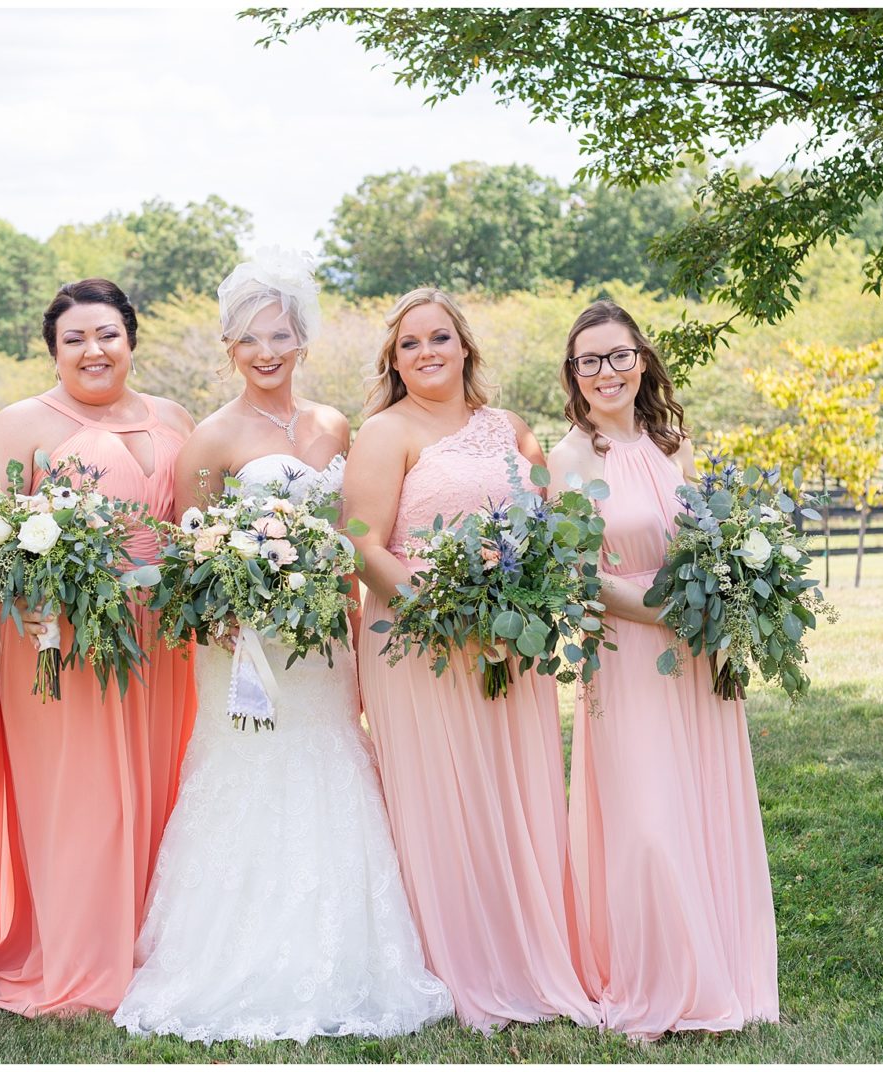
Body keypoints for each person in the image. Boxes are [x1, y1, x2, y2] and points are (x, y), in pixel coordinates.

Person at [114, 252, 452, 1043]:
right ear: (229, 347)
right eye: (249, 338)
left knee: (333, 765)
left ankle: (347, 955)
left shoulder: (335, 425)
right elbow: (190, 559)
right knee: (252, 772)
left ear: (302, 340)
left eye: (279, 336)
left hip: (326, 642)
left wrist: (349, 626)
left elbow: (352, 534)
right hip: (248, 648)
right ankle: (235, 955)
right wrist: (236, 612)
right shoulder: (210, 439)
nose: (265, 352)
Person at [343, 288, 598, 1032]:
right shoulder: (385, 433)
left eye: (439, 338)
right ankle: (455, 963)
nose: (426, 352)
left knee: (514, 788)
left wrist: (526, 603)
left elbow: (548, 526)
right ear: (395, 361)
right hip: (418, 641)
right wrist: (438, 613)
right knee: (443, 795)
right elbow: (361, 541)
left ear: (465, 348)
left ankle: (529, 951)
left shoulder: (511, 429)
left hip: (508, 641)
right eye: (410, 343)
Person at [547, 299, 779, 1041]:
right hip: (627, 655)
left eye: (619, 355)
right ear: (574, 374)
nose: (606, 372)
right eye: (590, 361)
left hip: (699, 653)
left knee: (701, 806)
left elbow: (709, 543)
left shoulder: (674, 445)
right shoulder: (569, 460)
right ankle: (659, 978)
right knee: (647, 822)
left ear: (641, 360)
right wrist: (670, 612)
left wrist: (730, 598)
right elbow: (579, 577)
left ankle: (720, 968)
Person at [0, 278, 198, 1017]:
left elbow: (199, 521)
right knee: (83, 797)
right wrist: (49, 599)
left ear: (131, 340)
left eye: (107, 335)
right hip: (66, 639)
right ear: (54, 350)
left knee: (165, 785)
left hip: (165, 635)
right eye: (75, 339)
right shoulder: (20, 424)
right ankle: (82, 956)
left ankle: (156, 942)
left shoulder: (175, 417)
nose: (93, 350)